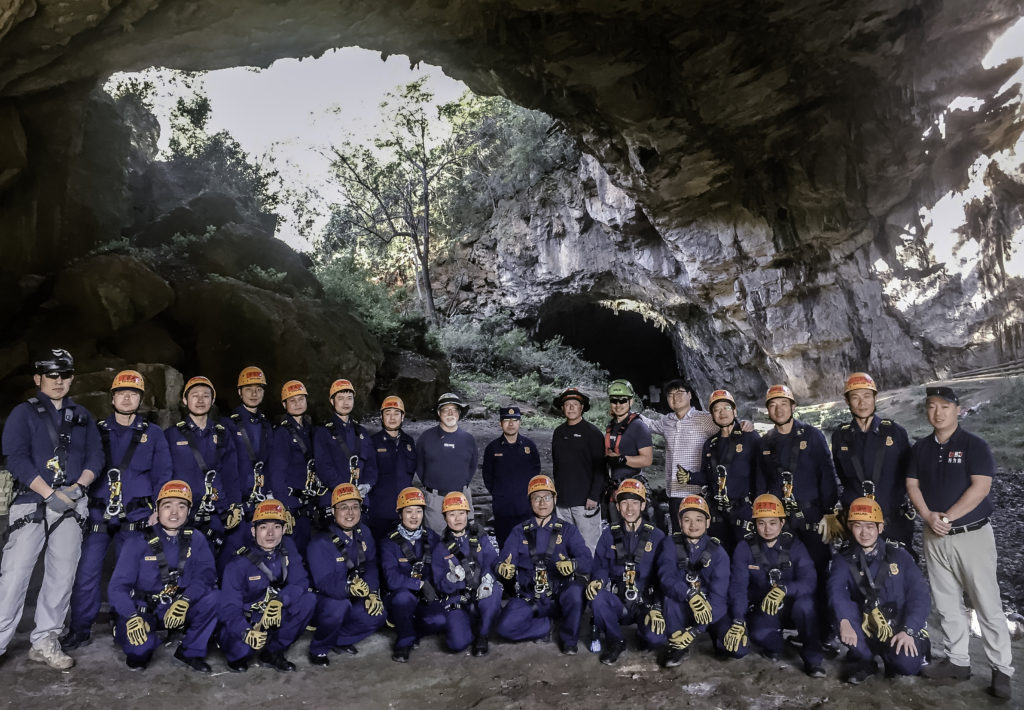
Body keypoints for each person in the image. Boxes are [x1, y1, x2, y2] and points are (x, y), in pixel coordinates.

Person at [907, 386, 1014, 700]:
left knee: (986, 603)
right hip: (934, 535)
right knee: (946, 601)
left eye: (944, 406)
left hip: (972, 535)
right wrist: (928, 516)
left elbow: (981, 487)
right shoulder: (921, 448)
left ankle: (1001, 669)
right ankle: (957, 661)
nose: (937, 412)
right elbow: (911, 484)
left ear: (957, 409)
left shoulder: (974, 445)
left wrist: (947, 517)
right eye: (931, 406)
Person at [0, 348, 101, 669]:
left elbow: (96, 457)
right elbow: (15, 457)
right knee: (15, 575)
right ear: (38, 378)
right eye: (52, 375)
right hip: (32, 502)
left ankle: (45, 640)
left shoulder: (82, 416)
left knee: (61, 576)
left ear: (72, 378)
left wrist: (78, 488)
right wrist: (47, 493)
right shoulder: (23, 413)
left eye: (65, 375)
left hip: (71, 504)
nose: (59, 381)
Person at [63, 370, 173, 651]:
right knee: (87, 572)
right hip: (99, 514)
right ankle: (80, 628)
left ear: (141, 399)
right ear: (112, 398)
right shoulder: (96, 431)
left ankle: (126, 621)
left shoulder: (154, 434)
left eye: (133, 393)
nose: (127, 397)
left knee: (132, 575)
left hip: (136, 515)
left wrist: (159, 508)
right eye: (122, 393)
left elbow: (164, 473)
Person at [107, 480, 219, 672]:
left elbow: (207, 575)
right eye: (167, 506)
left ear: (189, 511)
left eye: (181, 506)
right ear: (157, 509)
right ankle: (124, 629)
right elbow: (117, 587)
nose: (174, 513)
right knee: (138, 654)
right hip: (144, 609)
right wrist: (131, 616)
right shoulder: (137, 541)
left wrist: (185, 600)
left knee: (216, 598)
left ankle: (190, 651)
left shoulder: (197, 538)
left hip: (177, 606)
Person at [828, 497, 929, 684]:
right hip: (867, 626)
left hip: (897, 626)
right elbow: (836, 592)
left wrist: (909, 629)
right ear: (851, 527)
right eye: (858, 526)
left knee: (906, 666)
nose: (864, 533)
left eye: (870, 526)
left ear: (880, 528)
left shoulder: (900, 556)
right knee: (838, 616)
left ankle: (910, 650)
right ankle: (866, 659)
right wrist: (844, 620)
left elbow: (920, 595)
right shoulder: (843, 560)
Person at [722, 494, 824, 677]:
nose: (767, 529)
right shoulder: (744, 548)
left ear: (782, 523)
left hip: (793, 606)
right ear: (755, 524)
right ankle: (774, 644)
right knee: (761, 635)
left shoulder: (795, 546)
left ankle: (813, 659)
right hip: (765, 606)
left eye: (772, 523)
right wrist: (738, 619)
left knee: (807, 606)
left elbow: (810, 582)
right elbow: (738, 587)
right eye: (761, 523)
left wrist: (785, 589)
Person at [495, 475, 593, 654]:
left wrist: (573, 564)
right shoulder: (518, 532)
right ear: (530, 501)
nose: (542, 503)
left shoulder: (568, 530)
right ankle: (545, 626)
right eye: (536, 498)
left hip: (558, 597)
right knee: (504, 628)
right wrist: (503, 568)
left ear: (555, 499)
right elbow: (503, 561)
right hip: (530, 597)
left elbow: (587, 561)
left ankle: (569, 639)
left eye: (547, 497)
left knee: (576, 591)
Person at [219, 498, 316, 672]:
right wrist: (245, 632)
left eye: (276, 527)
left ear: (284, 529)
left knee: (308, 600)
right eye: (263, 527)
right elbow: (228, 607)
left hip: (273, 612)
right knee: (242, 652)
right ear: (253, 531)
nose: (270, 533)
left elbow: (300, 581)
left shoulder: (288, 548)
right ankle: (238, 650)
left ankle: (273, 652)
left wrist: (280, 601)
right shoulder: (238, 564)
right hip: (247, 618)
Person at [755, 384, 838, 581]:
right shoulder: (764, 443)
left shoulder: (812, 435)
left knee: (820, 567)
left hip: (813, 516)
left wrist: (829, 513)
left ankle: (824, 610)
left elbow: (826, 474)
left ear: (793, 407)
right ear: (767, 410)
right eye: (773, 405)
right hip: (780, 519)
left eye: (784, 403)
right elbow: (760, 483)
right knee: (785, 568)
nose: (779, 409)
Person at [164, 376, 242, 570]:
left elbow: (231, 473)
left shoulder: (222, 434)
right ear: (185, 400)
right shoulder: (172, 435)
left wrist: (235, 505)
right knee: (182, 566)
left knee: (216, 566)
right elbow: (164, 474)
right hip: (183, 512)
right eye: (194, 396)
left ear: (212, 400)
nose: (200, 400)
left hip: (216, 511)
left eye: (205, 396)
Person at [830, 373, 914, 551]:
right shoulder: (840, 437)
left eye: (867, 396)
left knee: (898, 572)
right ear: (847, 402)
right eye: (855, 397)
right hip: (857, 525)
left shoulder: (895, 433)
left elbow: (908, 474)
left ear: (875, 398)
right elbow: (843, 476)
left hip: (893, 522)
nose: (862, 403)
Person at [305, 483, 386, 665]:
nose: (350, 513)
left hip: (353, 595)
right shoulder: (319, 542)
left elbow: (371, 563)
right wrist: (348, 588)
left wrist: (372, 592)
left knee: (378, 612)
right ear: (333, 511)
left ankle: (339, 640)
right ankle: (319, 648)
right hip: (325, 601)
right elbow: (323, 582)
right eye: (343, 507)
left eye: (355, 507)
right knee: (337, 607)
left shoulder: (364, 532)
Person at [588, 478, 667, 665]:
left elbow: (664, 575)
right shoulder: (609, 534)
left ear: (643, 505)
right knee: (597, 597)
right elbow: (600, 566)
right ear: (617, 506)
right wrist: (597, 580)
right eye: (624, 503)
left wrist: (656, 606)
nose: (629, 508)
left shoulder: (657, 536)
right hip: (619, 601)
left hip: (644, 602)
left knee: (655, 638)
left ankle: (642, 632)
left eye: (634, 503)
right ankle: (616, 640)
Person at [656, 494, 730, 667]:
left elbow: (719, 598)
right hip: (684, 602)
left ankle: (713, 635)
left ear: (707, 523)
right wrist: (689, 594)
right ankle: (677, 645)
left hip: (710, 608)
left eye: (699, 519)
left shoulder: (718, 553)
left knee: (735, 648)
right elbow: (666, 577)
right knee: (670, 597)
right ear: (680, 522)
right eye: (687, 520)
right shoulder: (670, 543)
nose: (693, 525)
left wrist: (697, 630)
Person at [379, 486, 444, 662]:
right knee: (402, 598)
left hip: (426, 597)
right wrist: (420, 584)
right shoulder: (388, 543)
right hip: (401, 598)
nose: (414, 516)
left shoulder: (431, 537)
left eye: (418, 511)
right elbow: (392, 580)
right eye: (409, 511)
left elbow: (443, 565)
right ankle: (404, 641)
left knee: (439, 620)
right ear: (400, 514)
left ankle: (414, 631)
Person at [433, 491, 501, 657]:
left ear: (467, 514)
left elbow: (492, 561)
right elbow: (440, 585)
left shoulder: (480, 538)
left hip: (481, 593)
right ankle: (472, 625)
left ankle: (483, 634)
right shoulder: (439, 549)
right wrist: (451, 579)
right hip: (458, 600)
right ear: (445, 518)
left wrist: (487, 579)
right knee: (457, 644)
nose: (457, 519)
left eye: (461, 513)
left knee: (493, 592)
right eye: (452, 514)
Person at [642, 379, 715, 532]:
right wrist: (627, 411)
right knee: (677, 534)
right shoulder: (667, 420)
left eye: (680, 393)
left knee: (697, 533)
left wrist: (744, 425)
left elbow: (726, 424)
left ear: (689, 395)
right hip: (674, 490)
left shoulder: (705, 419)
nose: (675, 397)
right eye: (670, 395)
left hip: (697, 490)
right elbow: (649, 425)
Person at [700, 389, 760, 552]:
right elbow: (707, 476)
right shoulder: (710, 444)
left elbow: (762, 472)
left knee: (746, 555)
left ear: (734, 410)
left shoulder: (750, 437)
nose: (722, 413)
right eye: (716, 409)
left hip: (744, 510)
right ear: (712, 415)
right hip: (718, 512)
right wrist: (689, 477)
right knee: (720, 555)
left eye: (726, 407)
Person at [224, 366, 275, 555]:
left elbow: (269, 462)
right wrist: (233, 501)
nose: (254, 394)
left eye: (259, 389)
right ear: (239, 392)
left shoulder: (266, 424)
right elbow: (228, 466)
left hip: (260, 497)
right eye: (248, 389)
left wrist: (270, 493)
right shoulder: (228, 424)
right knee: (236, 550)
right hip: (240, 498)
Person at [550, 387, 605, 554]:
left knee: (590, 545)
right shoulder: (558, 433)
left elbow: (601, 469)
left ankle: (593, 579)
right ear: (562, 408)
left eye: (575, 404)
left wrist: (594, 496)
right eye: (567, 404)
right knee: (565, 544)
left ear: (582, 408)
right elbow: (557, 466)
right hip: (562, 502)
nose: (571, 407)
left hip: (586, 502)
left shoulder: (593, 433)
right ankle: (571, 579)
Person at [267, 380, 320, 552]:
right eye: (292, 401)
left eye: (300, 399)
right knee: (293, 551)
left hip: (308, 502)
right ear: (284, 404)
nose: (297, 404)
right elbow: (277, 472)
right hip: (293, 504)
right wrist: (284, 506)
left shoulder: (309, 430)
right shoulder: (283, 433)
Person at [415, 393, 478, 534]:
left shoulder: (468, 440)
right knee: (435, 541)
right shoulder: (426, 438)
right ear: (439, 413)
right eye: (445, 409)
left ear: (459, 413)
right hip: (435, 500)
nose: (450, 413)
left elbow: (472, 466)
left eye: (454, 409)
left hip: (462, 498)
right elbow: (419, 466)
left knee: (463, 543)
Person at [314, 378, 378, 513]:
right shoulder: (323, 432)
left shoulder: (362, 432)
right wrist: (346, 492)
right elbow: (323, 467)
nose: (346, 402)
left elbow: (372, 464)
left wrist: (367, 485)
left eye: (349, 398)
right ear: (332, 401)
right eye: (340, 398)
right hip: (334, 500)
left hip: (360, 500)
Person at [482, 405, 541, 548]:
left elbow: (536, 472)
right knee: (505, 545)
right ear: (500, 423)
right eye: (507, 420)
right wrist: (499, 493)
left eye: (514, 420)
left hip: (525, 506)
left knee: (528, 546)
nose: (511, 424)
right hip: (503, 507)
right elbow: (487, 475)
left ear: (519, 422)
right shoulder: (493, 448)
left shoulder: (529, 446)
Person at [367, 396, 418, 541]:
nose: (392, 417)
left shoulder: (409, 442)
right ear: (381, 417)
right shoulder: (373, 442)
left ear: (403, 416)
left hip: (404, 510)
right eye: (387, 413)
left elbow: (412, 471)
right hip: (379, 510)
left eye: (396, 413)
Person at [602, 379, 653, 523]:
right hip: (614, 489)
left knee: (635, 532)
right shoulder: (611, 426)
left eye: (623, 400)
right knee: (616, 533)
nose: (618, 405)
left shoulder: (638, 427)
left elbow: (647, 459)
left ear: (630, 402)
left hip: (632, 488)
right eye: (614, 401)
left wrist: (622, 459)